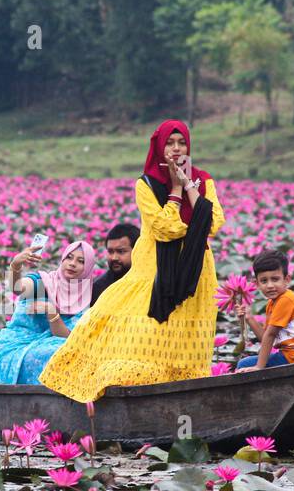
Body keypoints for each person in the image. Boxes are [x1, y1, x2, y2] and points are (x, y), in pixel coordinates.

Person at [39, 120, 224, 402]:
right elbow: (165, 228)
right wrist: (177, 193)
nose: (176, 149)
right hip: (154, 269)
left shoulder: (203, 178)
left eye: (181, 143)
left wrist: (188, 185)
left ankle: (183, 395)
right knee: (133, 326)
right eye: (169, 143)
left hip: (196, 270)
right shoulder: (146, 183)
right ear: (159, 147)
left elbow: (213, 223)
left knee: (184, 339)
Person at [0, 240, 95, 385]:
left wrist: (51, 312)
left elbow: (69, 337)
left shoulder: (86, 296)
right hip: (18, 342)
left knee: (71, 351)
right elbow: (17, 287)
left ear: (88, 267)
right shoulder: (43, 281)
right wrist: (15, 265)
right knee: (53, 354)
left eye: (80, 261)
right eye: (69, 258)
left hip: (51, 343)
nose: (72, 263)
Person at [235, 250, 294, 370]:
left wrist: (259, 367)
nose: (270, 285)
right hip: (291, 355)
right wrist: (249, 318)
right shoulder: (272, 303)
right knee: (247, 363)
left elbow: (270, 335)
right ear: (257, 284)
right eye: (264, 281)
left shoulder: (286, 299)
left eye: (275, 279)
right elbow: (265, 337)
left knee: (244, 365)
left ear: (286, 280)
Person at [90, 222, 140, 305]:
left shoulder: (151, 283)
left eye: (121, 251)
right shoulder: (99, 288)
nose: (114, 257)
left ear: (137, 250)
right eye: (110, 251)